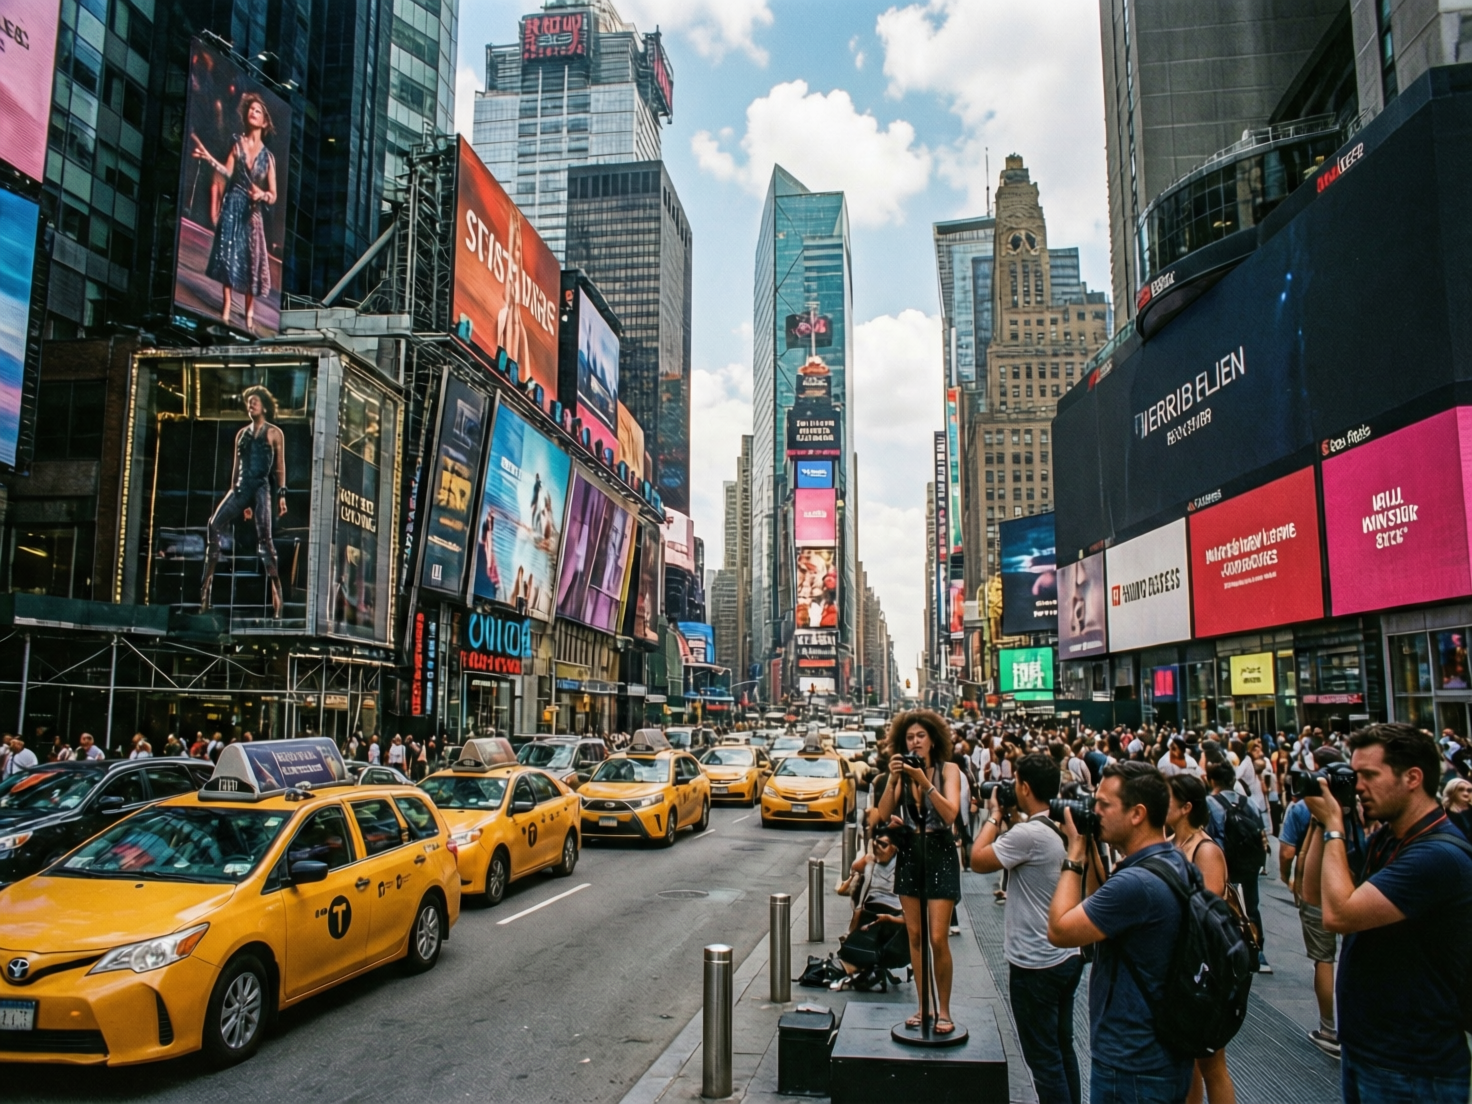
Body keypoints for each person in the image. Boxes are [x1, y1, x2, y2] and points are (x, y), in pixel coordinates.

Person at [1300, 723, 1472, 1103]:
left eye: (1369, 775)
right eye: (1354, 774)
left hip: (1413, 1065)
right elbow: (1314, 893)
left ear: (1413, 777)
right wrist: (1322, 819)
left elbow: (1339, 916)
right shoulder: (1390, 837)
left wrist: (1333, 827)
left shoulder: (1435, 856)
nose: (1358, 786)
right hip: (1370, 1051)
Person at [1047, 761, 1196, 1104]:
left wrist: (1074, 852)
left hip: (1130, 1061)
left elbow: (1059, 930)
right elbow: (1100, 913)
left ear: (1137, 814)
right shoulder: (1174, 861)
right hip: (1164, 1049)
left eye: (1103, 805)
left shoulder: (1136, 884)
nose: (1094, 812)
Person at [971, 752, 1082, 1104]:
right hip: (1067, 956)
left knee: (1043, 1060)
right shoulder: (1062, 825)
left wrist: (994, 814)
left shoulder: (1029, 835)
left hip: (1035, 963)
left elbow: (977, 860)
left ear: (1025, 786)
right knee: (1063, 1049)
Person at [872, 710, 963, 1036]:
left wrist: (925, 783)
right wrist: (894, 779)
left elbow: (950, 814)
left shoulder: (948, 770)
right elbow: (881, 815)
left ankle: (944, 1010)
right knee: (915, 936)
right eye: (909, 738)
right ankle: (923, 1007)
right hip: (911, 854)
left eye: (920, 737)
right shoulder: (901, 775)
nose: (915, 743)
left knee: (938, 937)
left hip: (939, 852)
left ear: (933, 740)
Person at [1277, 744, 1353, 1058]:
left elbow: (1288, 852)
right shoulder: (1357, 809)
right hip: (1340, 886)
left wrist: (1286, 875)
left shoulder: (1301, 808)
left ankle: (1330, 1027)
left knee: (1324, 958)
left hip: (1324, 889)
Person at [1167, 774, 1236, 1104]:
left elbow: (1210, 914)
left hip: (1206, 971)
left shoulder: (1205, 849)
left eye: (1167, 799)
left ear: (1185, 808)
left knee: (1211, 1063)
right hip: (1182, 965)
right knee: (1187, 1060)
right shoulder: (1173, 843)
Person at [190, 92, 278, 333]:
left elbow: (273, 194)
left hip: (252, 211)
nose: (253, 112)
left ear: (264, 121)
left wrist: (262, 195)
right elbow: (227, 173)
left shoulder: (268, 158)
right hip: (233, 203)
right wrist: (208, 158)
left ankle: (249, 312)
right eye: (251, 109)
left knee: (251, 259)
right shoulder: (237, 144)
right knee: (228, 254)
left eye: (258, 111)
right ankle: (227, 305)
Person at [201, 386, 288, 616]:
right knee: (213, 524)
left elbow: (279, 467)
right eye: (248, 402)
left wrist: (282, 494)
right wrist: (239, 498)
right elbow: (236, 467)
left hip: (261, 487)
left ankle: (277, 595)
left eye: (255, 402)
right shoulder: (242, 434)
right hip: (241, 487)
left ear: (264, 406)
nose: (251, 405)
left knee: (265, 542)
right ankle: (205, 592)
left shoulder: (274, 433)